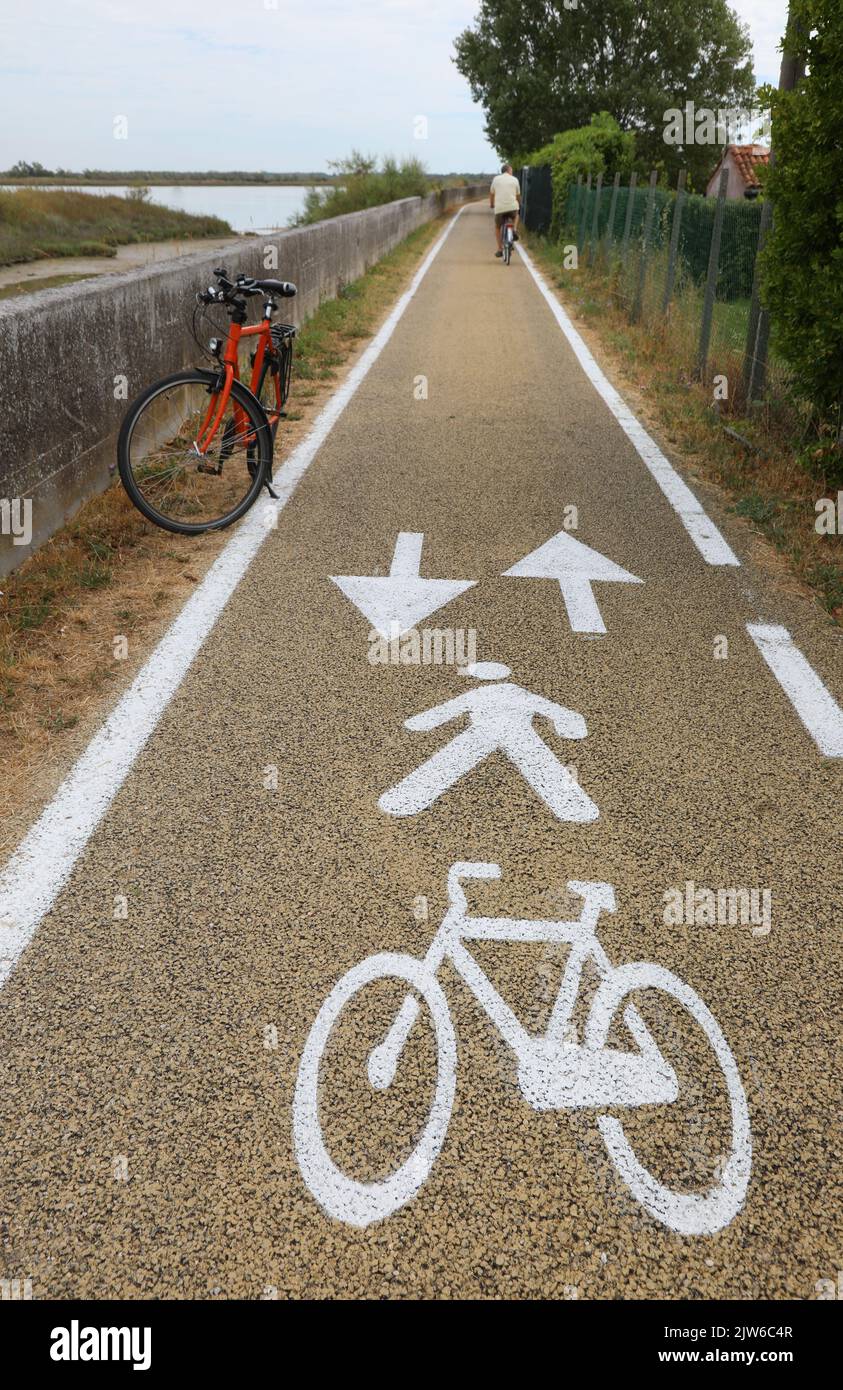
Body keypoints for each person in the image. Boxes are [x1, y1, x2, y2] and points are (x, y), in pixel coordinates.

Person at [489, 163, 521, 258]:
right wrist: (519, 203)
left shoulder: (495, 179)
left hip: (499, 208)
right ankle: (514, 230)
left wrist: (491, 204)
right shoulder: (515, 179)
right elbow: (518, 195)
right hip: (512, 207)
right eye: (511, 170)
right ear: (509, 170)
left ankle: (499, 249)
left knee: (498, 227)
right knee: (516, 215)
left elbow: (491, 194)